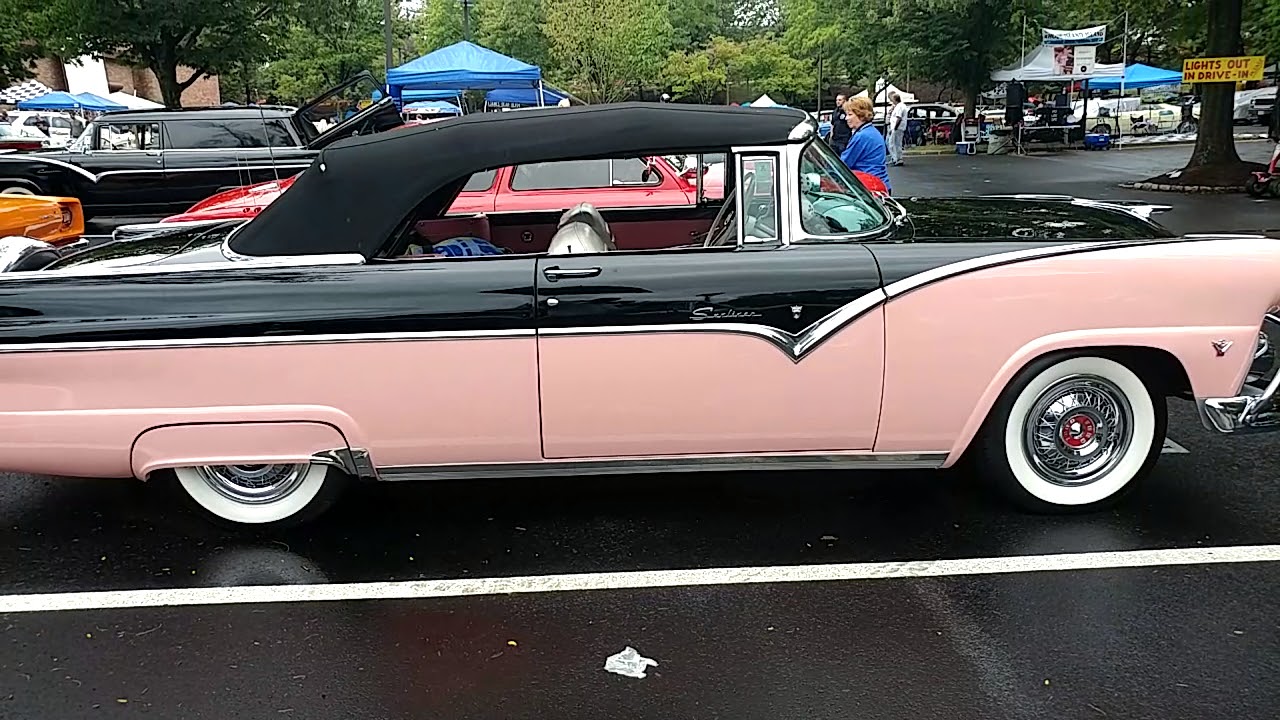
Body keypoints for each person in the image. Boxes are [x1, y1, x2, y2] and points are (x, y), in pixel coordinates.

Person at [839, 97, 891, 194]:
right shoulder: (872, 132)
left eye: (850, 114)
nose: (846, 118)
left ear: (861, 115)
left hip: (869, 187)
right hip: (880, 184)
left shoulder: (862, 136)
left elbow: (844, 164)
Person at [887, 92, 908, 166]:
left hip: (897, 128)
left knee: (893, 143)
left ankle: (897, 158)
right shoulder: (900, 106)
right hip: (899, 127)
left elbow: (898, 118)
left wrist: (895, 128)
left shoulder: (899, 107)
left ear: (895, 99)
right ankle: (896, 158)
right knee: (896, 143)